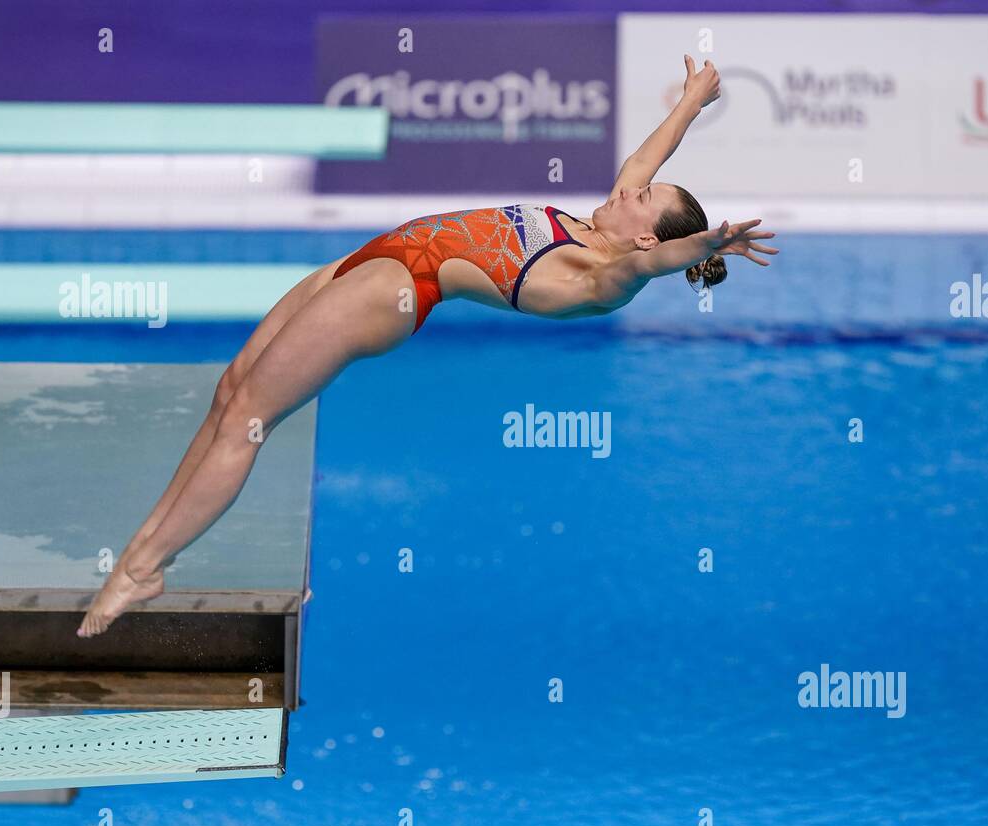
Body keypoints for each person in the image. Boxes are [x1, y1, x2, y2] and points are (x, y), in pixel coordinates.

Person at [78, 56, 777, 637]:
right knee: (231, 390)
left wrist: (707, 244)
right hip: (377, 254)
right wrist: (691, 102)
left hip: (398, 287)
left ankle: (141, 571)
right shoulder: (602, 224)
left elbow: (649, 264)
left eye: (644, 197)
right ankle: (140, 560)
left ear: (650, 237)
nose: (632, 189)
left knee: (247, 420)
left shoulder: (603, 274)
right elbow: (641, 159)